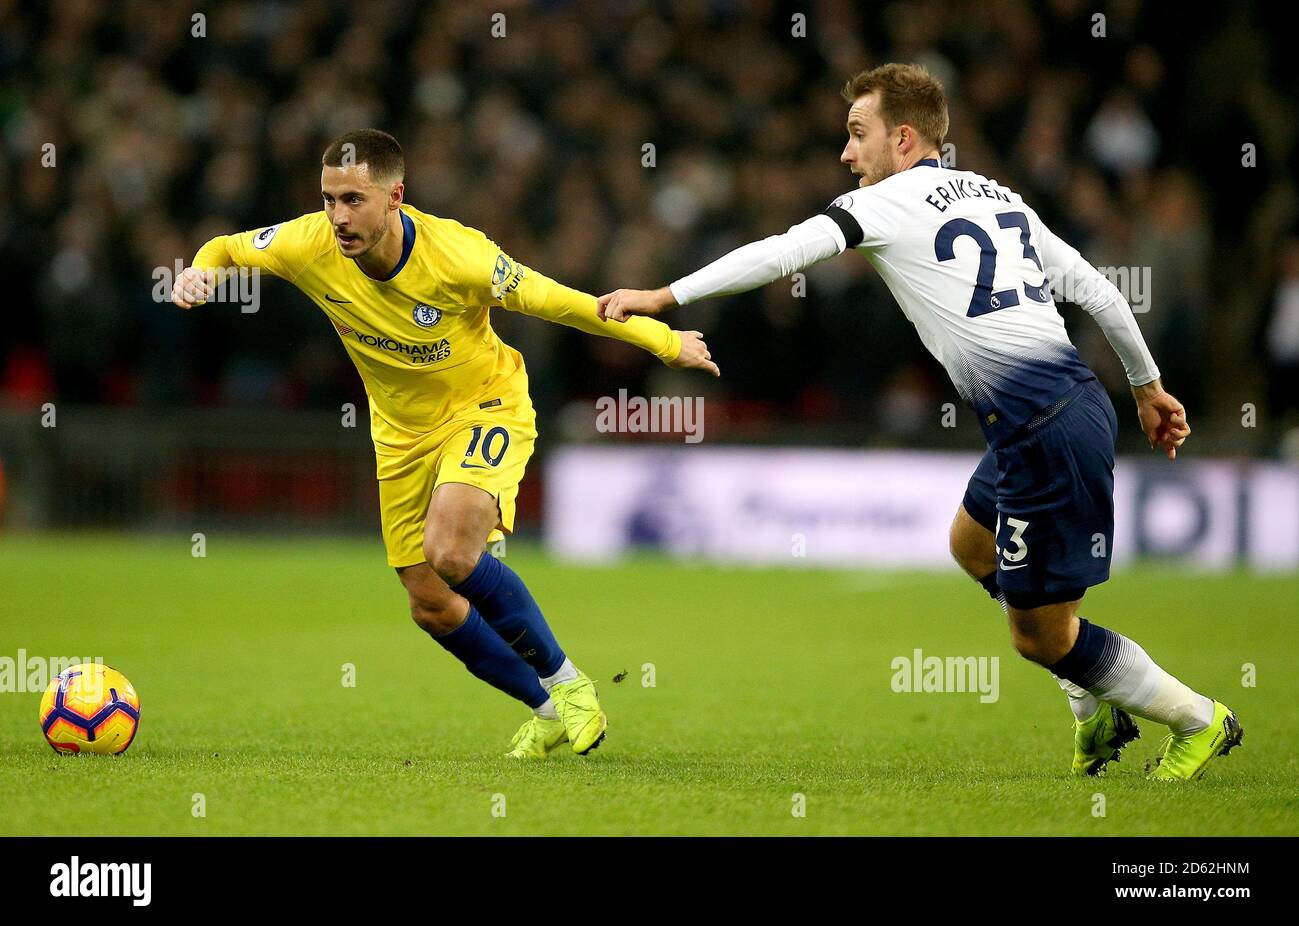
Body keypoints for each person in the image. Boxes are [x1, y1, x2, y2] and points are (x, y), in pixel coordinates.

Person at [598, 64, 1240, 780]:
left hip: (1043, 429)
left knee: (1043, 637)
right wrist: (1148, 388)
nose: (847, 154)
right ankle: (1092, 699)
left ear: (903, 139)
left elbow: (780, 252)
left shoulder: (886, 204)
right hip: (1057, 408)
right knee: (971, 544)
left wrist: (663, 293)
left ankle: (1197, 717)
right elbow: (1096, 289)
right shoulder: (1001, 197)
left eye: (857, 134)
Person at [171, 129, 718, 759]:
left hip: (483, 405)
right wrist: (202, 274)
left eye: (354, 199)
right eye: (328, 199)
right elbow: (226, 246)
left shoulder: (459, 255)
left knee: (451, 552)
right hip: (399, 433)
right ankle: (544, 712)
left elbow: (559, 303)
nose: (338, 216)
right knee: (429, 603)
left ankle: (568, 684)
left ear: (395, 196)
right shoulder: (308, 242)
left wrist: (663, 341)